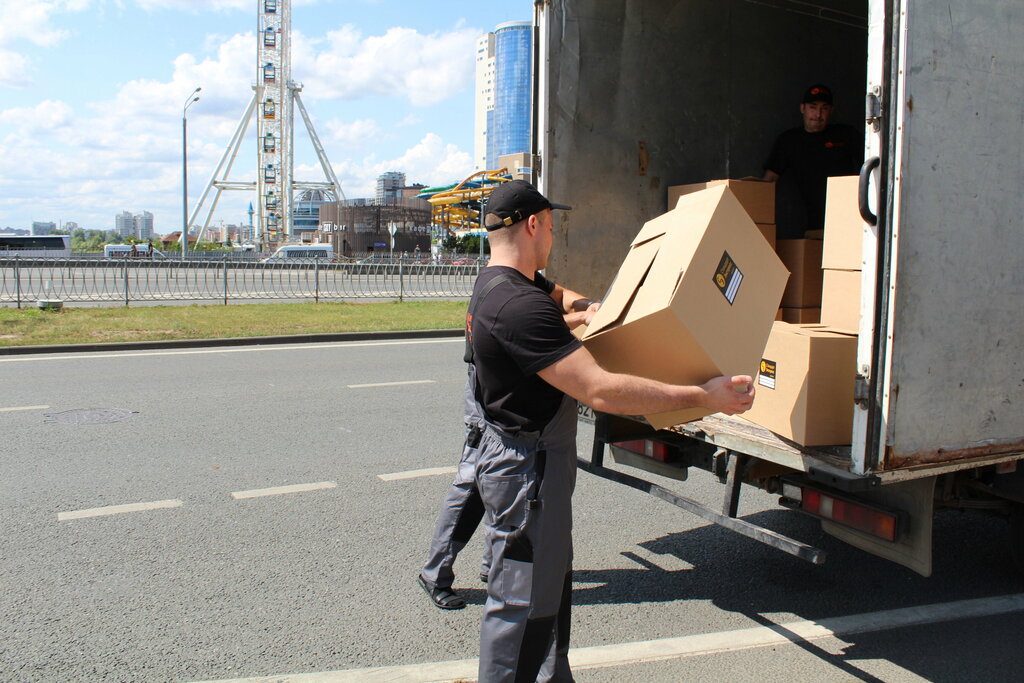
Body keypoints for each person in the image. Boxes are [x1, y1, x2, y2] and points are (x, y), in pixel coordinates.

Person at [445, 180, 756, 682]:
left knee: (545, 595)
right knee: (522, 609)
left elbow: (557, 307)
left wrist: (599, 312)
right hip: (528, 474)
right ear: (532, 225)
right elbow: (601, 391)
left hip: (529, 464)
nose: (553, 234)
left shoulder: (499, 284)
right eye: (551, 224)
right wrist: (704, 396)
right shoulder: (521, 307)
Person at [763, 83, 862, 238]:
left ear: (831, 111)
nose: (818, 114)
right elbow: (769, 180)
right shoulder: (789, 140)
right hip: (808, 221)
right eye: (813, 107)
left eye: (824, 108)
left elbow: (871, 171)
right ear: (803, 108)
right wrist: (758, 215)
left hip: (847, 216)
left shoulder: (846, 135)